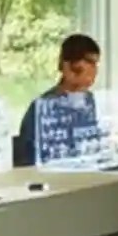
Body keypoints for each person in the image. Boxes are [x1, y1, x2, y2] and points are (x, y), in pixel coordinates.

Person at [16, 34, 101, 167]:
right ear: (70, 66)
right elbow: (28, 157)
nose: (95, 69)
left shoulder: (89, 102)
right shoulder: (43, 108)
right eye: (90, 62)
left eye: (96, 63)